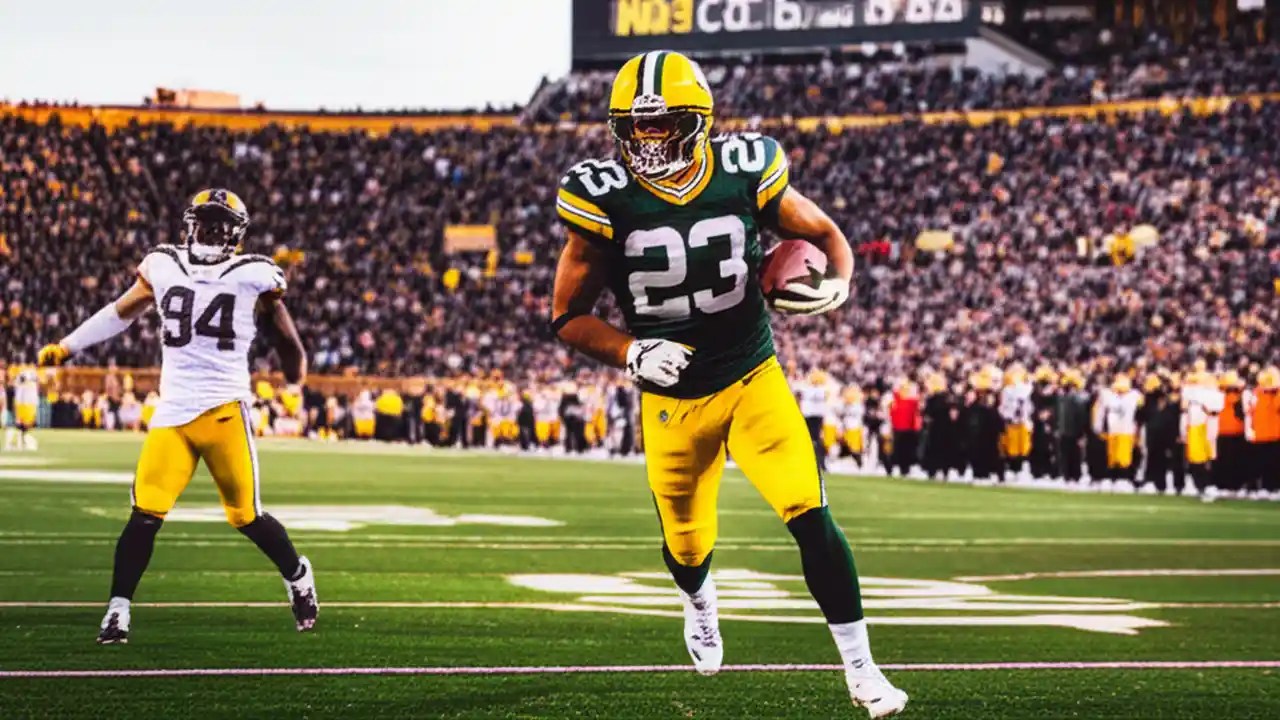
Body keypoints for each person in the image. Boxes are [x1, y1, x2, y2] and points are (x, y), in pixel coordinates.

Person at [548, 51, 906, 717]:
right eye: (637, 126)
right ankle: (699, 601)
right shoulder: (602, 195)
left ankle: (863, 671)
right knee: (687, 546)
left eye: (663, 124)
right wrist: (630, 352)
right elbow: (567, 315)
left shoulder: (744, 170)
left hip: (750, 375)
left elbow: (826, 233)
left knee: (810, 512)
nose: (649, 139)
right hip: (671, 396)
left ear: (699, 121)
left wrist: (838, 282)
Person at [37, 188, 317, 644]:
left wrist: (295, 368)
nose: (210, 231)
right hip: (172, 413)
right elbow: (120, 313)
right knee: (145, 513)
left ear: (235, 235)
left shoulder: (253, 274)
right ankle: (118, 610)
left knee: (246, 516)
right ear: (190, 224)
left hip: (224, 411)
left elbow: (283, 330)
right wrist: (69, 346)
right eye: (205, 221)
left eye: (220, 225)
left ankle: (298, 574)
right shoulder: (164, 264)